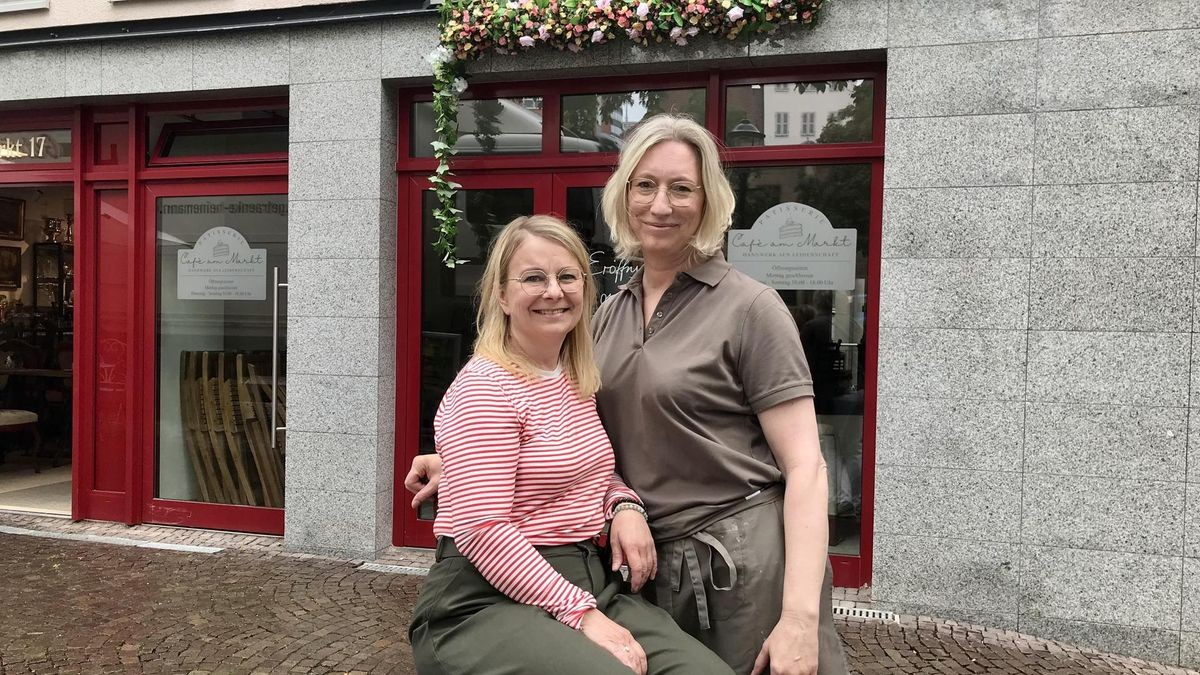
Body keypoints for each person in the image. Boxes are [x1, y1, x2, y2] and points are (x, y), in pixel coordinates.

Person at [408, 115, 849, 675]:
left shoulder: (752, 308)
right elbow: (570, 431)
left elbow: (807, 467)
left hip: (738, 558)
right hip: (636, 561)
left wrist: (800, 617)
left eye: (681, 188)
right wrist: (464, 461)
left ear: (708, 201)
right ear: (624, 195)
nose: (660, 204)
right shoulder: (606, 316)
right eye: (645, 185)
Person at [407, 215, 733, 675]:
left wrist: (625, 506)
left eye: (567, 276)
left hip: (589, 581)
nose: (553, 291)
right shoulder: (485, 388)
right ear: (502, 295)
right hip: (482, 599)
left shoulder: (574, 379)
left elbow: (589, 471)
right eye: (533, 278)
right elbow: (482, 528)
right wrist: (582, 615)